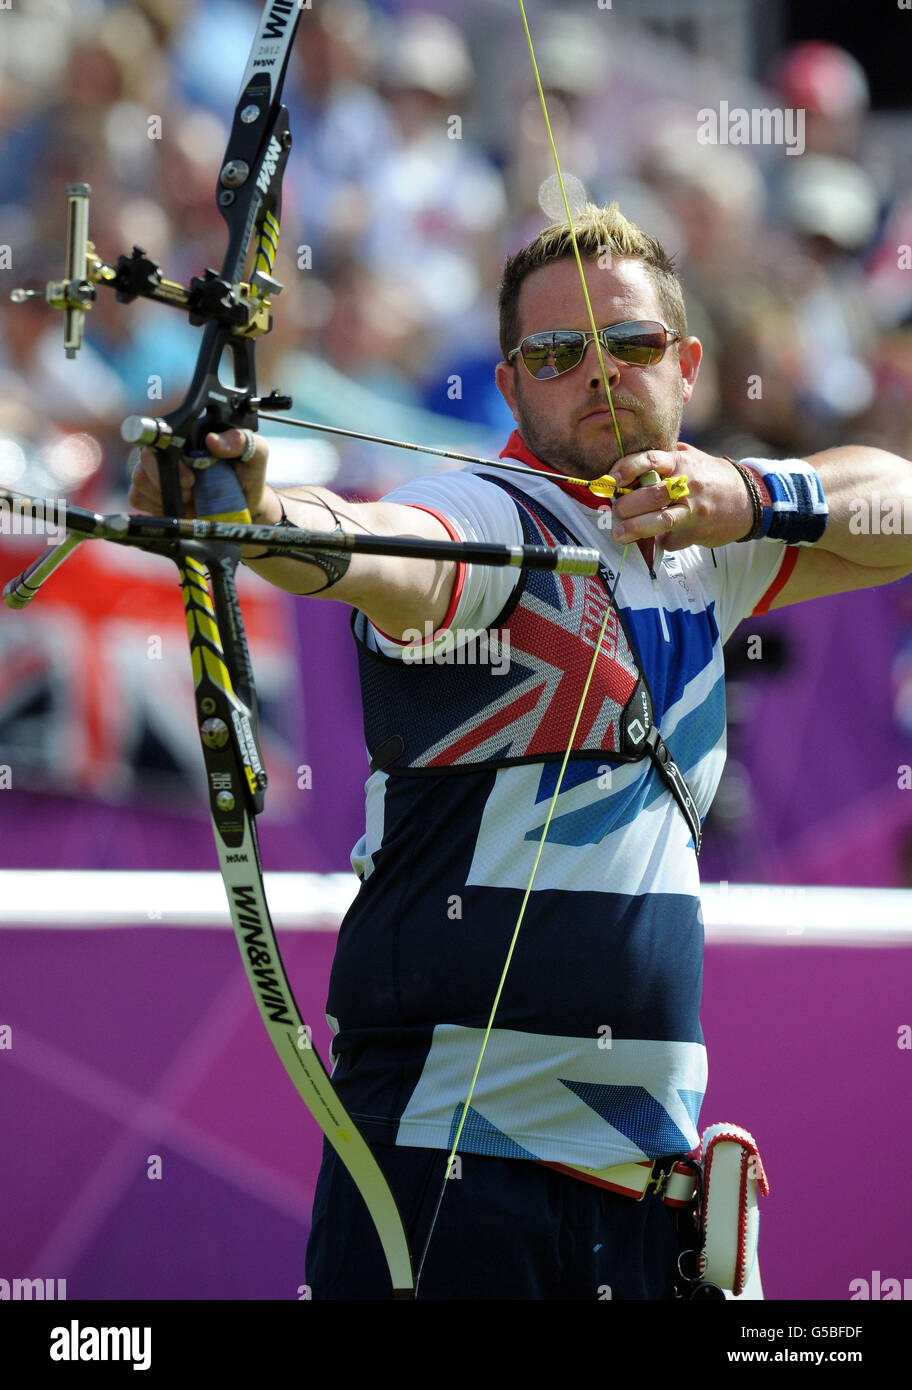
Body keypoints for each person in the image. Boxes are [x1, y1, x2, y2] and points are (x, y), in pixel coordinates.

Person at [129, 203, 912, 1300]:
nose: (598, 372)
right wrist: (252, 511)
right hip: (452, 1180)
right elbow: (385, 550)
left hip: (647, 1196)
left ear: (687, 366)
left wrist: (752, 494)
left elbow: (901, 505)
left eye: (631, 345)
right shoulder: (491, 516)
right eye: (557, 353)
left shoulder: (706, 552)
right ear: (511, 384)